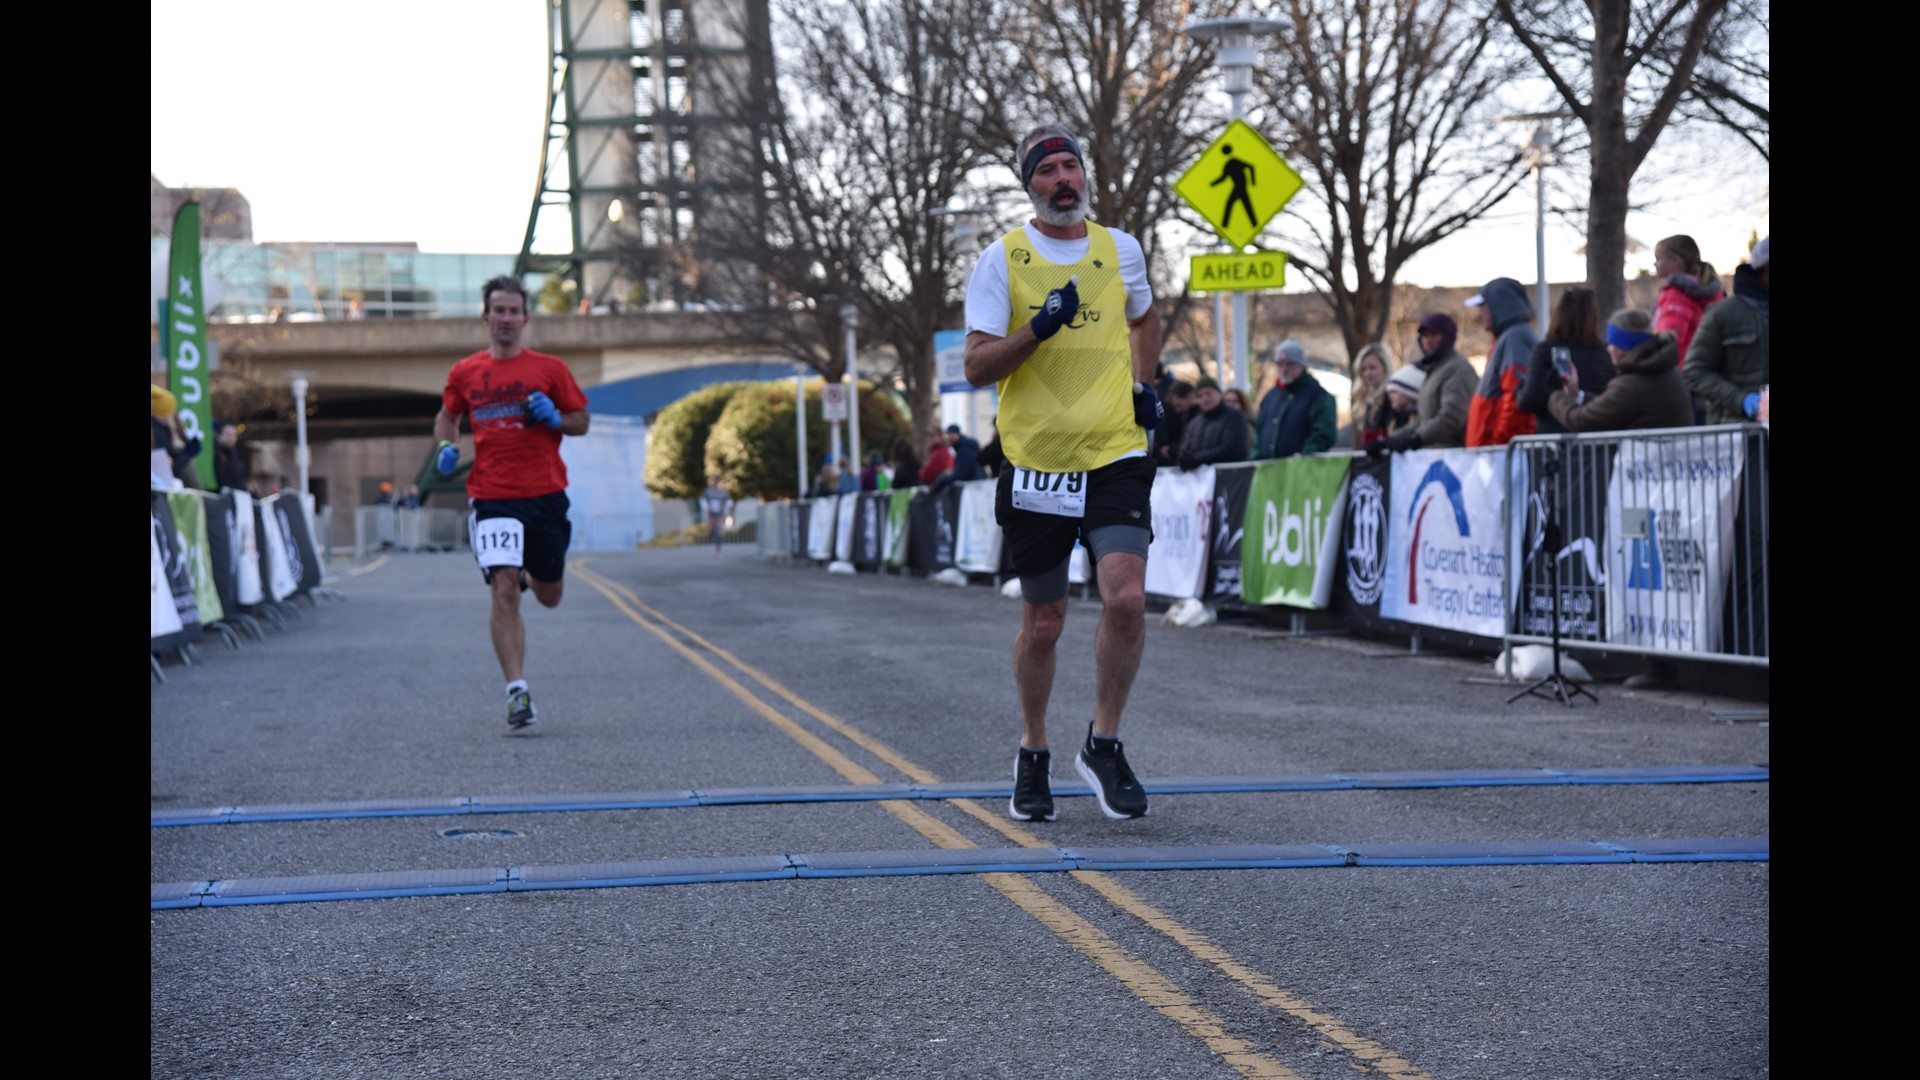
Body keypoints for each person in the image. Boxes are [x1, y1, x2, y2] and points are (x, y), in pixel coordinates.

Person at [961, 122, 1161, 822]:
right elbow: (977, 365)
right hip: (1038, 462)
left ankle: (1104, 744)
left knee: (1128, 597)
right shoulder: (1002, 259)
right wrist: (1037, 330)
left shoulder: (1120, 249)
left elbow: (1144, 316)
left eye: (1071, 165)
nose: (1063, 179)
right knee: (1044, 623)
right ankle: (1034, 749)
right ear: (1030, 185)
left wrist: (1144, 384)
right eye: (1047, 171)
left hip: (1115, 450)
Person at [433, 274, 590, 734]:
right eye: (497, 310)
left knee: (550, 594)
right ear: (485, 317)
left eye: (513, 310)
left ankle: (529, 574)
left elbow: (581, 420)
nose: (505, 318)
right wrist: (446, 446)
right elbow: (447, 416)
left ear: (525, 318)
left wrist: (556, 418)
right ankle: (516, 691)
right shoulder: (465, 372)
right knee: (502, 588)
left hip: (544, 495)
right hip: (492, 496)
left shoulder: (549, 369)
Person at [1545, 308, 1692, 432]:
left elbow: (1580, 420)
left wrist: (1553, 394)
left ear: (1625, 347)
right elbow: (1615, 405)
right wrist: (1577, 395)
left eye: (1612, 343)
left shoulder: (1631, 385)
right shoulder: (1667, 371)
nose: (1608, 349)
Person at [1683, 236, 1768, 425]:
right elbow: (1694, 371)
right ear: (1764, 268)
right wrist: (1743, 401)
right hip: (1738, 432)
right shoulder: (1722, 314)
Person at [1368, 312, 1475, 456]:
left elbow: (1451, 418)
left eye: (1434, 334)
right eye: (1424, 336)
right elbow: (1423, 421)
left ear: (1447, 337)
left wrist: (1417, 440)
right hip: (1432, 455)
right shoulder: (1433, 371)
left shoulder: (1457, 370)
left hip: (1453, 456)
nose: (1428, 340)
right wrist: (1389, 441)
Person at [1516, 285, 1614, 436]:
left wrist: (1521, 387)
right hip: (1598, 443)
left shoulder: (1545, 350)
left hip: (1554, 443)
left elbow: (1529, 401)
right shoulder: (1606, 353)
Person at [1463, 277, 1541, 447]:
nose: (1479, 313)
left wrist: (1500, 440)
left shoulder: (1515, 338)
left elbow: (1515, 398)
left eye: (1483, 307)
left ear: (1498, 306)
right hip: (1497, 452)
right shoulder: (1509, 338)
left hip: (1501, 452)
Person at [1253, 339, 1336, 459]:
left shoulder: (1318, 396)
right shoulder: (1271, 396)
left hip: (1301, 472)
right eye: (1280, 364)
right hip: (1268, 472)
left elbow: (1323, 435)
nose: (1284, 369)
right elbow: (1258, 432)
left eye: (1290, 364)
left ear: (1301, 365)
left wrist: (1303, 458)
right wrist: (1257, 456)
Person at [1176, 375, 1249, 468]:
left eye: (1208, 393)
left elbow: (1231, 450)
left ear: (1220, 394)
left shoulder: (1235, 418)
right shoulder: (1194, 423)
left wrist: (1196, 459)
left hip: (1229, 479)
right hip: (1200, 481)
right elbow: (1185, 450)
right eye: (1200, 396)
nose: (1204, 398)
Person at [1348, 344, 1394, 448]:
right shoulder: (1366, 398)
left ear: (1385, 367)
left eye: (1373, 368)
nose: (1368, 374)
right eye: (1364, 369)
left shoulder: (1392, 396)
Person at [1152, 380, 1193, 466]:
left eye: (1179, 405)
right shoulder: (1185, 418)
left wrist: (1173, 450)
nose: (1177, 410)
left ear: (1189, 396)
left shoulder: (1195, 418)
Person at [932, 424, 983, 489]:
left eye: (952, 434)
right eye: (948, 434)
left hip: (972, 489)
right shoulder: (964, 448)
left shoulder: (965, 450)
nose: (949, 437)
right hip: (974, 487)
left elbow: (959, 475)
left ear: (958, 434)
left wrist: (941, 482)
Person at [1380, 366, 1423, 438]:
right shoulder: (1393, 418)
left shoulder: (1419, 417)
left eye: (1394, 391)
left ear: (1408, 393)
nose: (1390, 396)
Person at [701, 474, 735, 554]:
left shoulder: (723, 492)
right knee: (711, 530)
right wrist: (706, 507)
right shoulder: (708, 491)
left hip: (720, 514)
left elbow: (730, 502)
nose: (715, 483)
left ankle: (718, 548)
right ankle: (716, 542)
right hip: (711, 514)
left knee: (718, 530)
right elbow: (702, 500)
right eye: (714, 481)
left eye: (717, 481)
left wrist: (727, 504)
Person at [211, 419, 249, 493]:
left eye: (234, 434)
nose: (231, 438)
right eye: (228, 434)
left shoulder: (235, 454)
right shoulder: (217, 454)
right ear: (218, 435)